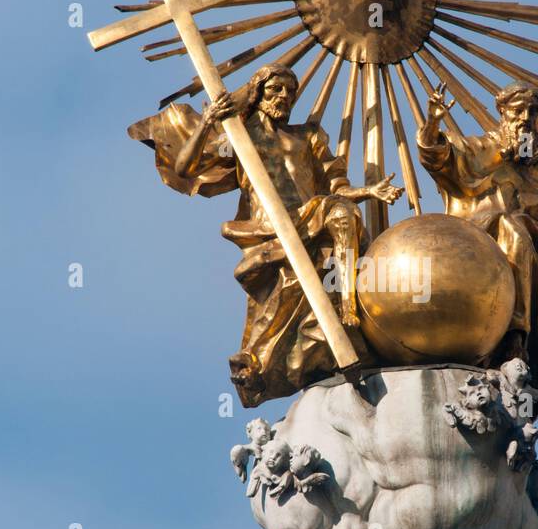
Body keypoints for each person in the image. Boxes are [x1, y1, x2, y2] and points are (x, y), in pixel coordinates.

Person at [128, 62, 401, 404]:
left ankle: (349, 307)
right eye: (275, 90)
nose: (283, 97)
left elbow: (337, 186)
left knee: (342, 215)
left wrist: (369, 191)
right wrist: (210, 121)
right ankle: (263, 364)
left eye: (289, 91)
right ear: (257, 94)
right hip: (268, 230)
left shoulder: (308, 137)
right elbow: (187, 167)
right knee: (281, 306)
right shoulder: (241, 139)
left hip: (311, 221)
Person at [417, 80, 538, 436]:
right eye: (518, 111)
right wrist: (433, 123)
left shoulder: (535, 173)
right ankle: (514, 338)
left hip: (521, 254)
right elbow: (436, 154)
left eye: (531, 112)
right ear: (503, 113)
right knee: (511, 226)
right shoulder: (480, 149)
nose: (525, 118)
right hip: (471, 244)